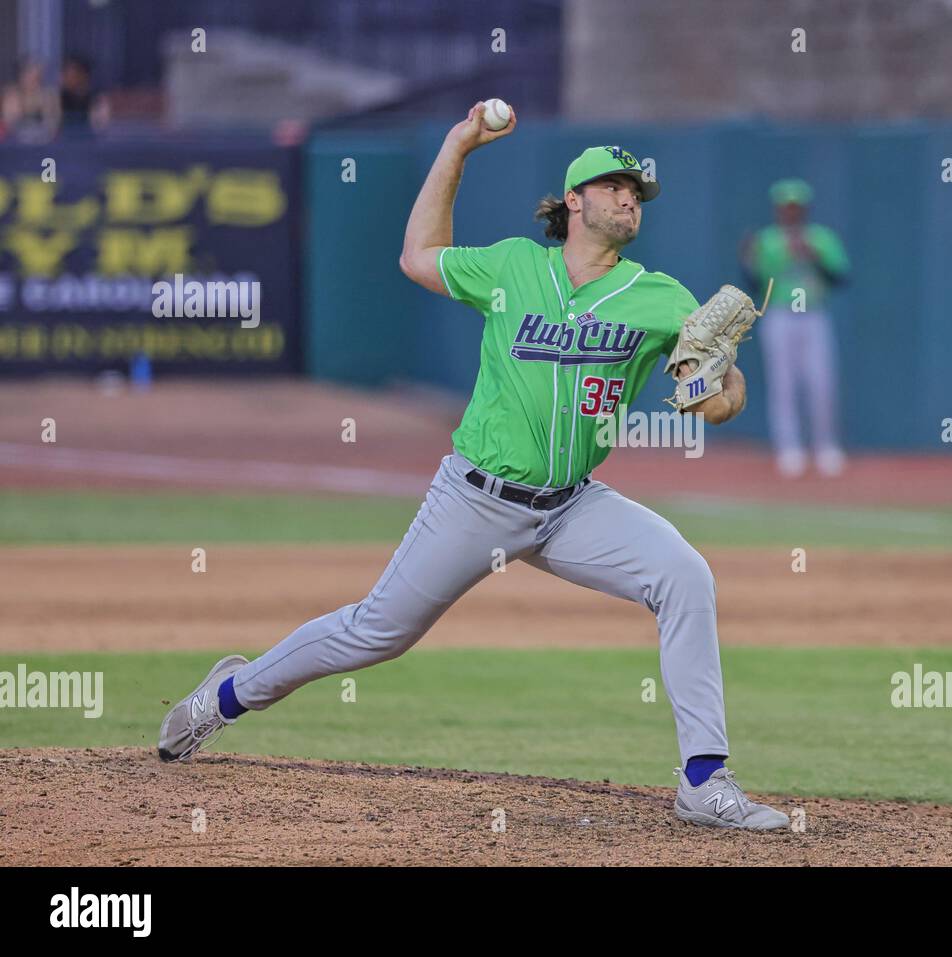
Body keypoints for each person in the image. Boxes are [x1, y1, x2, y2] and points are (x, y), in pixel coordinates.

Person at [158, 103, 790, 831]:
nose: (630, 197)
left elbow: (716, 403)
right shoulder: (512, 266)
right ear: (576, 201)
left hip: (571, 508)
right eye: (616, 186)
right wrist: (457, 146)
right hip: (477, 499)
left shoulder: (661, 298)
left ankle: (704, 779)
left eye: (637, 191)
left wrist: (718, 383)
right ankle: (224, 697)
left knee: (685, 575)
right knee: (375, 632)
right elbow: (416, 257)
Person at [742, 178, 851, 477]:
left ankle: (826, 447)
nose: (791, 212)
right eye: (786, 207)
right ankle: (790, 449)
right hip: (780, 314)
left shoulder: (821, 238)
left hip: (814, 314)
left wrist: (813, 256)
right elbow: (754, 284)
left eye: (796, 207)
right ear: (778, 209)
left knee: (821, 383)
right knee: (783, 384)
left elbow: (840, 277)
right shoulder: (767, 240)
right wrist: (749, 261)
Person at [1, 59, 58, 143]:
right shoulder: (12, 96)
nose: (33, 81)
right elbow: (9, 123)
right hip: (15, 140)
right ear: (22, 76)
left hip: (43, 139)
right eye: (30, 76)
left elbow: (53, 123)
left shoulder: (48, 96)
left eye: (37, 78)